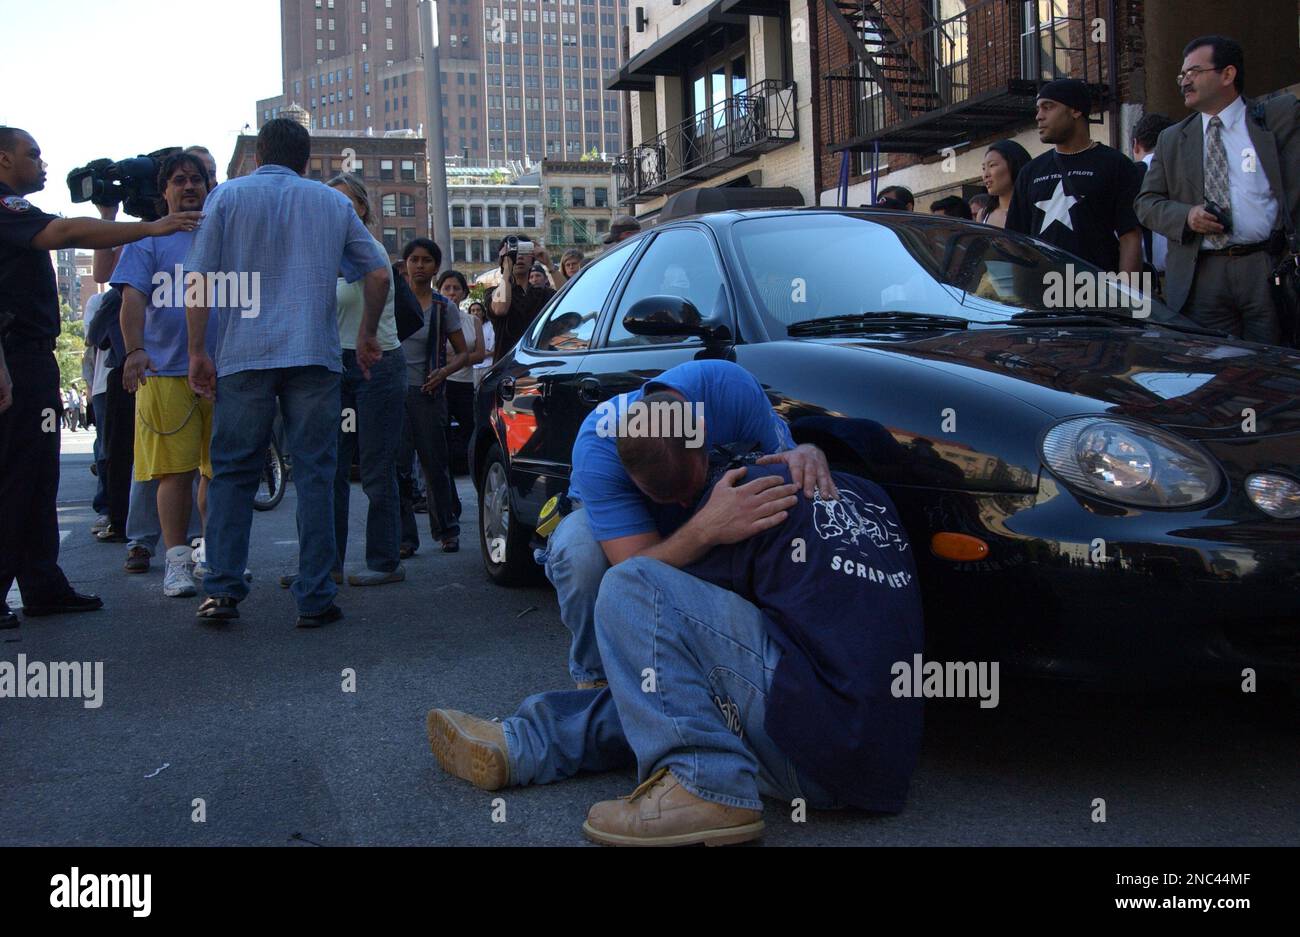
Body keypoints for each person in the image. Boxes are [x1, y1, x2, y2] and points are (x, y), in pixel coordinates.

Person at [427, 401, 922, 846]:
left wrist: (702, 528)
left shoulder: (750, 497)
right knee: (672, 690)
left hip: (813, 755)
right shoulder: (873, 498)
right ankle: (524, 743)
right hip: (882, 762)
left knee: (632, 586)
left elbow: (662, 625)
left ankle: (705, 784)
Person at [184, 118, 391, 627]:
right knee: (318, 474)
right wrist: (367, 334)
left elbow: (197, 279)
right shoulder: (333, 202)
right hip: (313, 355)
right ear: (308, 161)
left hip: (245, 355)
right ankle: (316, 595)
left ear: (258, 155)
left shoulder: (227, 198)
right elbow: (380, 270)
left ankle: (223, 590)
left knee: (233, 472)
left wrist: (196, 351)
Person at [0, 126, 202, 629]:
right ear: (3, 160)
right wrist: (151, 228)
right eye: (34, 154)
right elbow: (65, 233)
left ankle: (42, 584)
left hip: (32, 357)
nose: (43, 163)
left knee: (37, 473)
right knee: (14, 475)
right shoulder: (6, 209)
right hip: (15, 356)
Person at [1136, 36, 1298, 343]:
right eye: (1181, 75)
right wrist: (1187, 216)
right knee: (1211, 368)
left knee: (1273, 365)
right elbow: (1146, 203)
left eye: (1194, 72)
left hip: (1265, 265)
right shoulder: (1172, 139)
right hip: (1201, 273)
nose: (1184, 81)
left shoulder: (1275, 119)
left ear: (1227, 74)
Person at [115, 151, 218, 597]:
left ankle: (212, 556)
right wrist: (135, 350)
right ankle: (176, 564)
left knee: (219, 471)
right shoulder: (146, 240)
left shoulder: (225, 233)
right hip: (163, 374)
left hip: (225, 371)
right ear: (165, 191)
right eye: (179, 180)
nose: (190, 186)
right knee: (173, 474)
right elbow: (132, 301)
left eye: (197, 178)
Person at [316, 172, 408, 588]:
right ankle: (326, 564)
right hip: (335, 368)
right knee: (330, 467)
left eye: (346, 203)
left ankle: (385, 561)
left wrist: (366, 334)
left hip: (378, 366)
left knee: (375, 468)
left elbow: (381, 279)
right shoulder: (318, 254)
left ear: (363, 209)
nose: (337, 212)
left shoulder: (366, 249)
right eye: (329, 204)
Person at [1006, 80, 1143, 275]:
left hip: (1097, 293)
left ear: (1075, 111)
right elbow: (1016, 242)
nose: (1039, 116)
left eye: (1048, 107)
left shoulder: (1115, 164)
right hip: (1042, 295)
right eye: (1038, 109)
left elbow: (1130, 236)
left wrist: (1125, 297)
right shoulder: (1030, 172)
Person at [397, 238, 468, 556]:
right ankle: (404, 538)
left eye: (426, 260)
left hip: (429, 392)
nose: (420, 265)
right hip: (395, 392)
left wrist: (443, 372)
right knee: (398, 467)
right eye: (414, 259)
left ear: (435, 266)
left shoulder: (443, 306)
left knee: (434, 464)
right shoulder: (391, 301)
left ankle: (447, 531)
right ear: (405, 264)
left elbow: (463, 353)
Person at [438, 269, 485, 503]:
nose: (452, 293)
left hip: (466, 385)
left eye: (456, 288)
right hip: (443, 385)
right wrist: (459, 358)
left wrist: (457, 358)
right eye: (447, 288)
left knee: (472, 435)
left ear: (464, 292)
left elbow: (479, 354)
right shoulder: (436, 320)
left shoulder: (472, 320)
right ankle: (447, 497)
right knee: (442, 439)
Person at [489, 235, 556, 358]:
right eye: (514, 252)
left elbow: (570, 296)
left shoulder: (542, 293)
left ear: (532, 259)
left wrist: (549, 264)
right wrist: (507, 265)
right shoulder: (494, 293)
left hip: (539, 363)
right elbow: (500, 309)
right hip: (507, 366)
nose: (519, 256)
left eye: (524, 251)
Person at [1131, 112, 1175, 296]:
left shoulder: (1128, 175)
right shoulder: (1188, 173)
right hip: (1187, 277)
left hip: (1143, 282)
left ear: (1136, 144)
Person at [978, 140, 1032, 228]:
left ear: (1014, 165)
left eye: (992, 165)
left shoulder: (1033, 211)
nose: (985, 175)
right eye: (984, 168)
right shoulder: (983, 215)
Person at [468, 300, 494, 388]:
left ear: (483, 313)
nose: (476, 312)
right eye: (473, 310)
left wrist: (484, 354)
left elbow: (496, 348)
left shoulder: (491, 326)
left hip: (488, 366)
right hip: (472, 368)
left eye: (478, 310)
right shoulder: (467, 327)